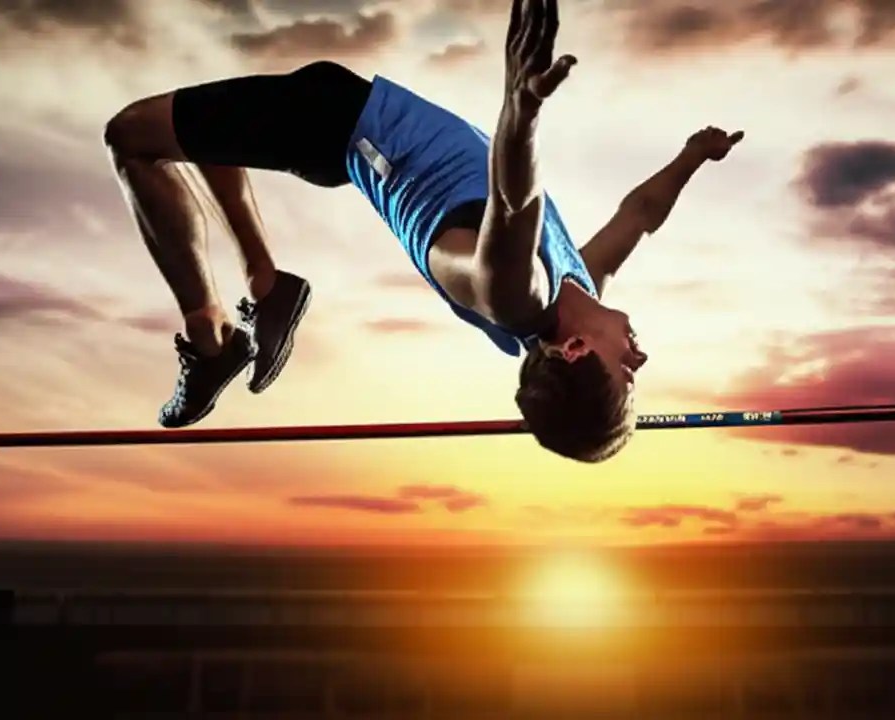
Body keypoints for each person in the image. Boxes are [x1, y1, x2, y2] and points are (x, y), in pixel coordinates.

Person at [102, 0, 743, 462]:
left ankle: (210, 337)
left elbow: (515, 204)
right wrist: (691, 156)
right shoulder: (578, 277)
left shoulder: (515, 296)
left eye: (627, 373)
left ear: (575, 351)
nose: (640, 357)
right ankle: (266, 286)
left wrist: (521, 111)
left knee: (130, 138)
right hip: (338, 126)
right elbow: (639, 217)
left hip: (335, 125)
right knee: (203, 135)